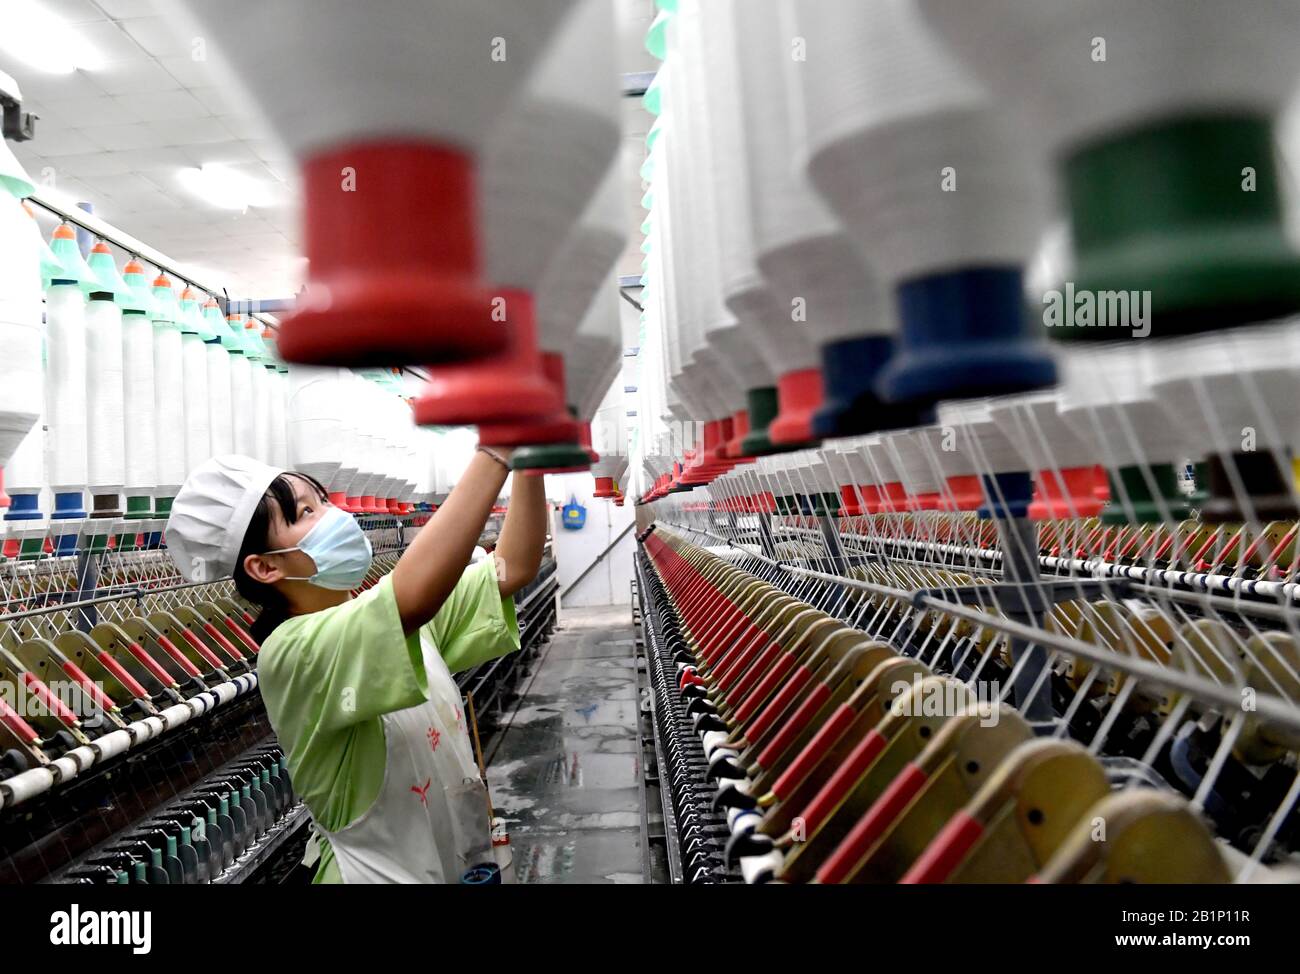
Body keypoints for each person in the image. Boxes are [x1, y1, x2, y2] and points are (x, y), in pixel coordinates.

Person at [164, 444, 548, 883]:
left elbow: (511, 567)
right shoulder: (292, 653)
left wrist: (530, 460)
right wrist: (496, 450)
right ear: (264, 567)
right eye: (305, 513)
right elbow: (412, 596)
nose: (331, 516)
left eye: (323, 502)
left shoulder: (391, 621)